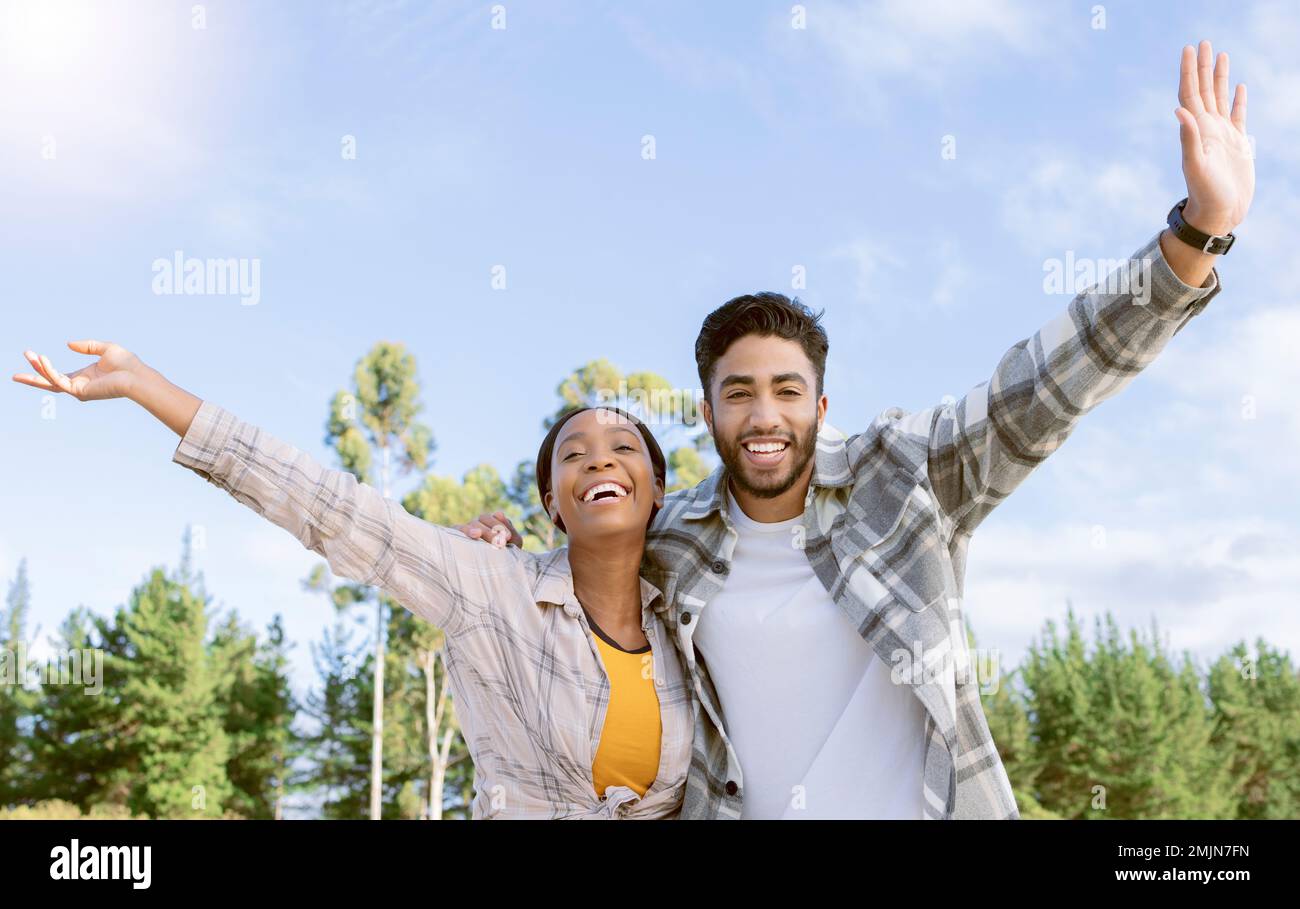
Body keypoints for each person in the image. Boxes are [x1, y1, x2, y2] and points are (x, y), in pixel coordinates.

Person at [455, 40, 1254, 819]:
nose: (764, 416)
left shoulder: (906, 475)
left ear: (820, 406)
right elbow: (579, 583)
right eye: (739, 393)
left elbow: (1043, 387)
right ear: (707, 413)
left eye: (787, 391)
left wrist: (1198, 232)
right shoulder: (671, 540)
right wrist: (497, 558)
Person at [10, 352, 693, 820]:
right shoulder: (492, 586)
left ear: (659, 489)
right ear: (551, 503)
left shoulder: (687, 630)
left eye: (623, 447)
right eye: (574, 453)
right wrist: (145, 385)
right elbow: (332, 508)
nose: (599, 459)